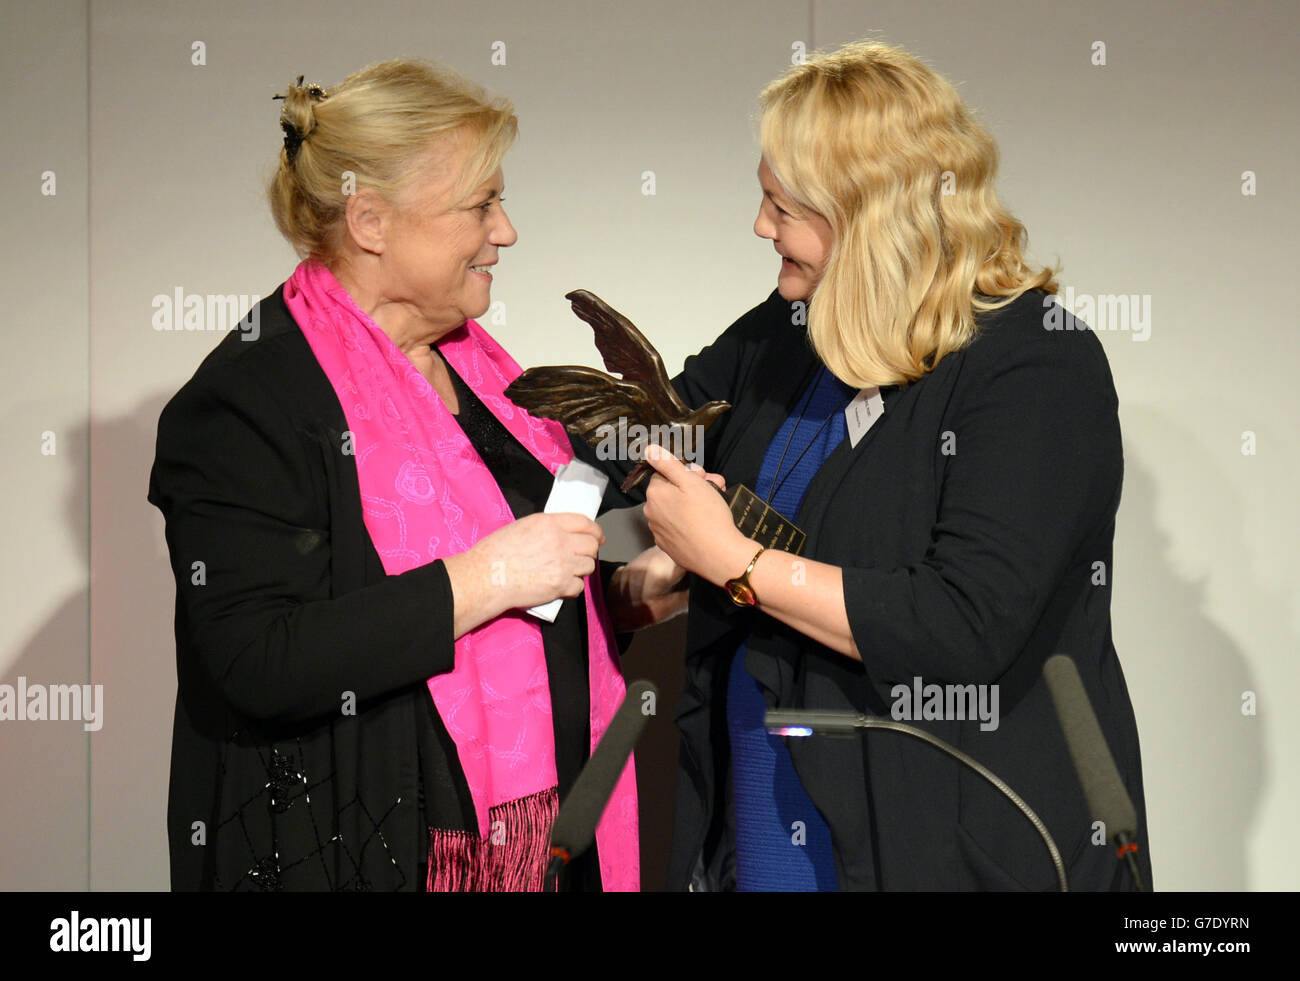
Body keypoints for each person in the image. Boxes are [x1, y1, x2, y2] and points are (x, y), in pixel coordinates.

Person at [587, 40, 1153, 891]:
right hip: (763, 827)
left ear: (867, 214)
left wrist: (732, 563)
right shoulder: (786, 334)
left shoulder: (1036, 366)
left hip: (949, 848)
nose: (760, 227)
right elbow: (640, 439)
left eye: (782, 206)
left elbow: (963, 624)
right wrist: (652, 556)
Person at [147, 59, 673, 891]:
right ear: (369, 220)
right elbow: (255, 659)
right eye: (480, 205)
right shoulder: (246, 401)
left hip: (545, 849)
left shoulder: (488, 376)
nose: (505, 231)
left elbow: (534, 608)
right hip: (362, 850)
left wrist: (635, 591)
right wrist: (488, 575)